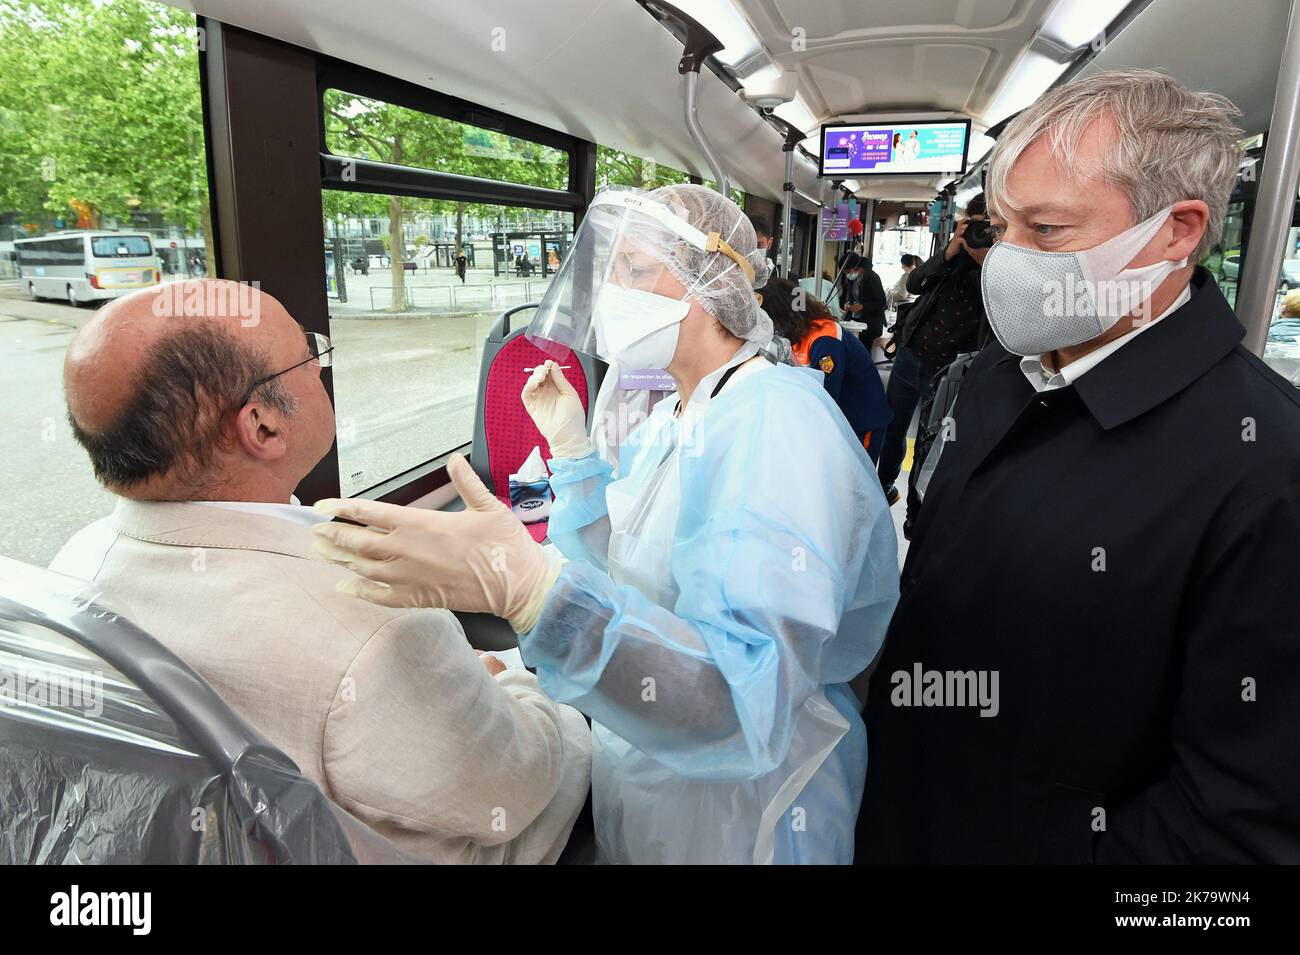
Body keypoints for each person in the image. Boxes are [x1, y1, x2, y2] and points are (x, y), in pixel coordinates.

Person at [312, 184, 900, 865]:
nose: (614, 290)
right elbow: (623, 574)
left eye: (638, 270)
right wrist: (575, 457)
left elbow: (743, 698)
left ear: (713, 284)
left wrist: (540, 597)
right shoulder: (675, 418)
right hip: (655, 775)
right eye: (612, 270)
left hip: (750, 814)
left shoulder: (774, 425)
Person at [857, 69, 1300, 863]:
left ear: (1176, 230)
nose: (1007, 262)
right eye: (1000, 228)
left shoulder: (1266, 464)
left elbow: (1240, 824)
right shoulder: (994, 374)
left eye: (1048, 230)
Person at [50, 279, 591, 864]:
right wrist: (511, 683)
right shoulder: (370, 627)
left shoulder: (72, 567)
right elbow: (515, 789)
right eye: (309, 356)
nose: (321, 368)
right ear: (263, 427)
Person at [876, 193, 991, 517]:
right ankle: (883, 488)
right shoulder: (950, 257)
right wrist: (952, 249)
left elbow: (999, 293)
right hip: (911, 355)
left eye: (985, 228)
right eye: (972, 226)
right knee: (892, 426)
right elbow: (915, 282)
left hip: (947, 371)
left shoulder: (999, 263)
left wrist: (982, 255)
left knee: (929, 442)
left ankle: (916, 513)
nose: (976, 234)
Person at [759, 276, 892, 459]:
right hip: (841, 421)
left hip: (861, 421)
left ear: (781, 315)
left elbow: (826, 396)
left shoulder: (825, 340)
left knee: (857, 481)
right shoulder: (797, 335)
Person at [839, 251, 888, 343]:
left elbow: (881, 302)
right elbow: (844, 296)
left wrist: (862, 306)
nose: (847, 275)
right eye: (845, 272)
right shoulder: (849, 279)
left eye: (849, 271)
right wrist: (845, 305)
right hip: (854, 321)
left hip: (870, 322)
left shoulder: (872, 278)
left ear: (858, 268)